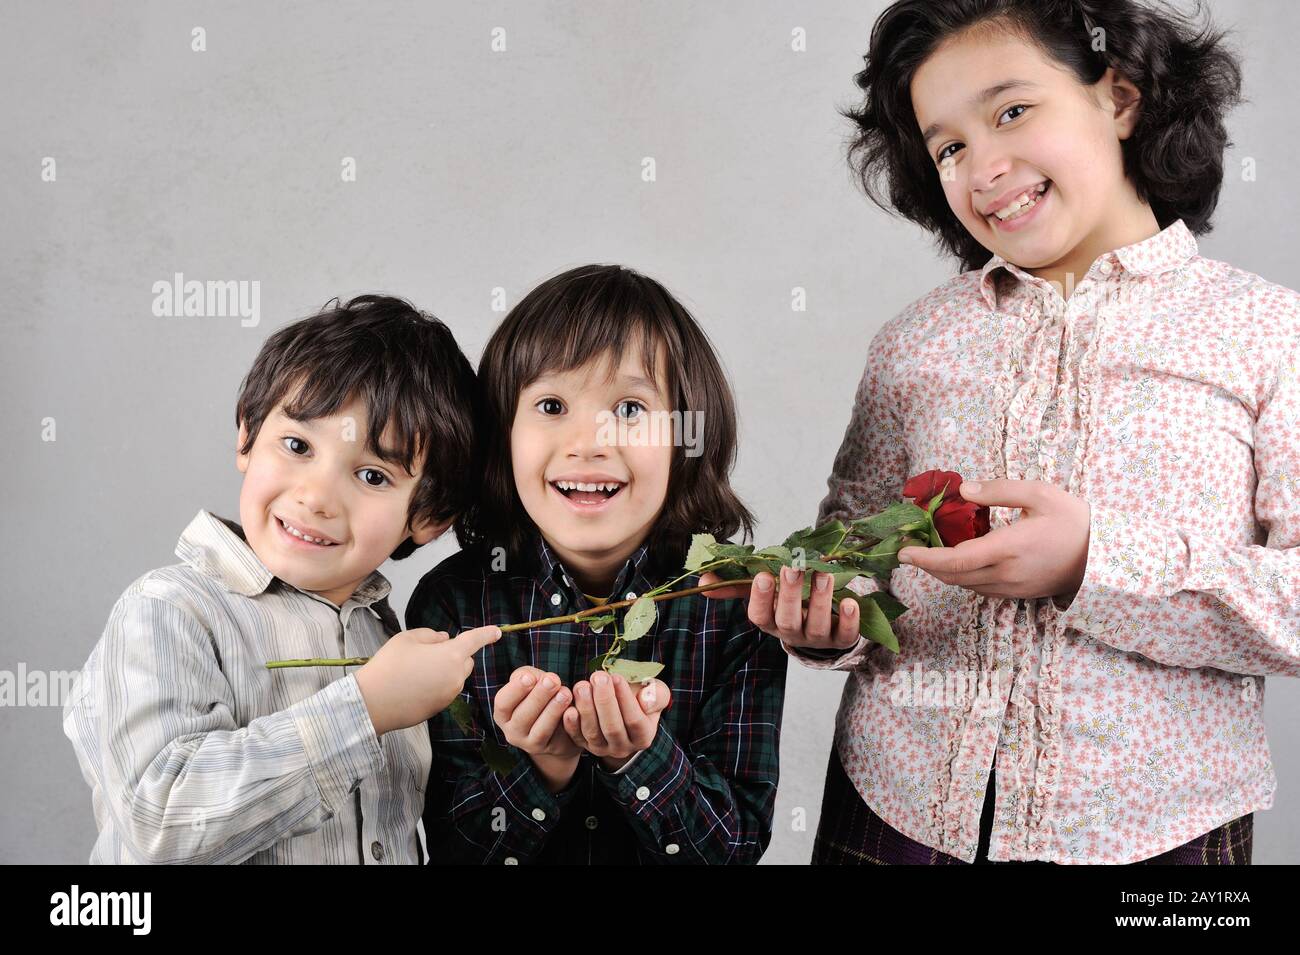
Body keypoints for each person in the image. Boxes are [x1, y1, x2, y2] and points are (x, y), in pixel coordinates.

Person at [705, 0, 1292, 864]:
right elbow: (856, 556)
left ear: (1120, 97)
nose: (984, 168)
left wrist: (1093, 564)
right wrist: (828, 621)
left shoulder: (1270, 333)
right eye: (948, 147)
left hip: (1160, 838)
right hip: (893, 819)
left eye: (1012, 111)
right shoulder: (912, 343)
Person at [63, 294, 501, 863]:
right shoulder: (169, 611)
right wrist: (363, 710)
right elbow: (160, 822)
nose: (316, 496)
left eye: (372, 475)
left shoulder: (388, 639)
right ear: (247, 434)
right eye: (297, 446)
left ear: (427, 517)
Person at [409, 264, 787, 863]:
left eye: (631, 409)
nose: (588, 443)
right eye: (552, 404)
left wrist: (639, 758)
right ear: (501, 434)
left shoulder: (732, 604)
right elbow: (454, 849)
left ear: (686, 439)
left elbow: (733, 847)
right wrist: (542, 765)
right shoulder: (454, 602)